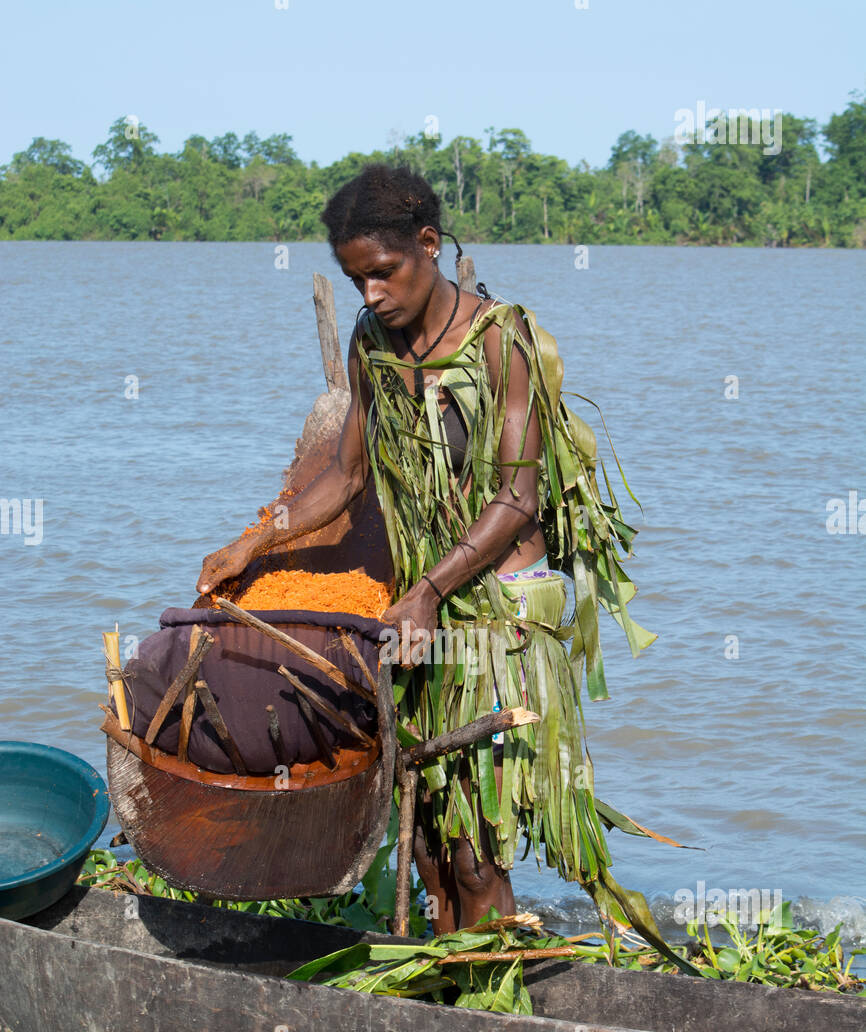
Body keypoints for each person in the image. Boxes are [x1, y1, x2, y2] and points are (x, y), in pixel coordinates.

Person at [197, 164, 665, 948]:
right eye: (356, 281)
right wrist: (261, 534)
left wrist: (426, 592)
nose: (371, 295)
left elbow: (516, 497)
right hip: (418, 609)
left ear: (428, 244)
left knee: (476, 846)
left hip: (499, 612)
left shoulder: (502, 340)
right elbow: (346, 475)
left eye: (383, 274)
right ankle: (448, 984)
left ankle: (492, 995)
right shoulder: (372, 344)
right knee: (423, 837)